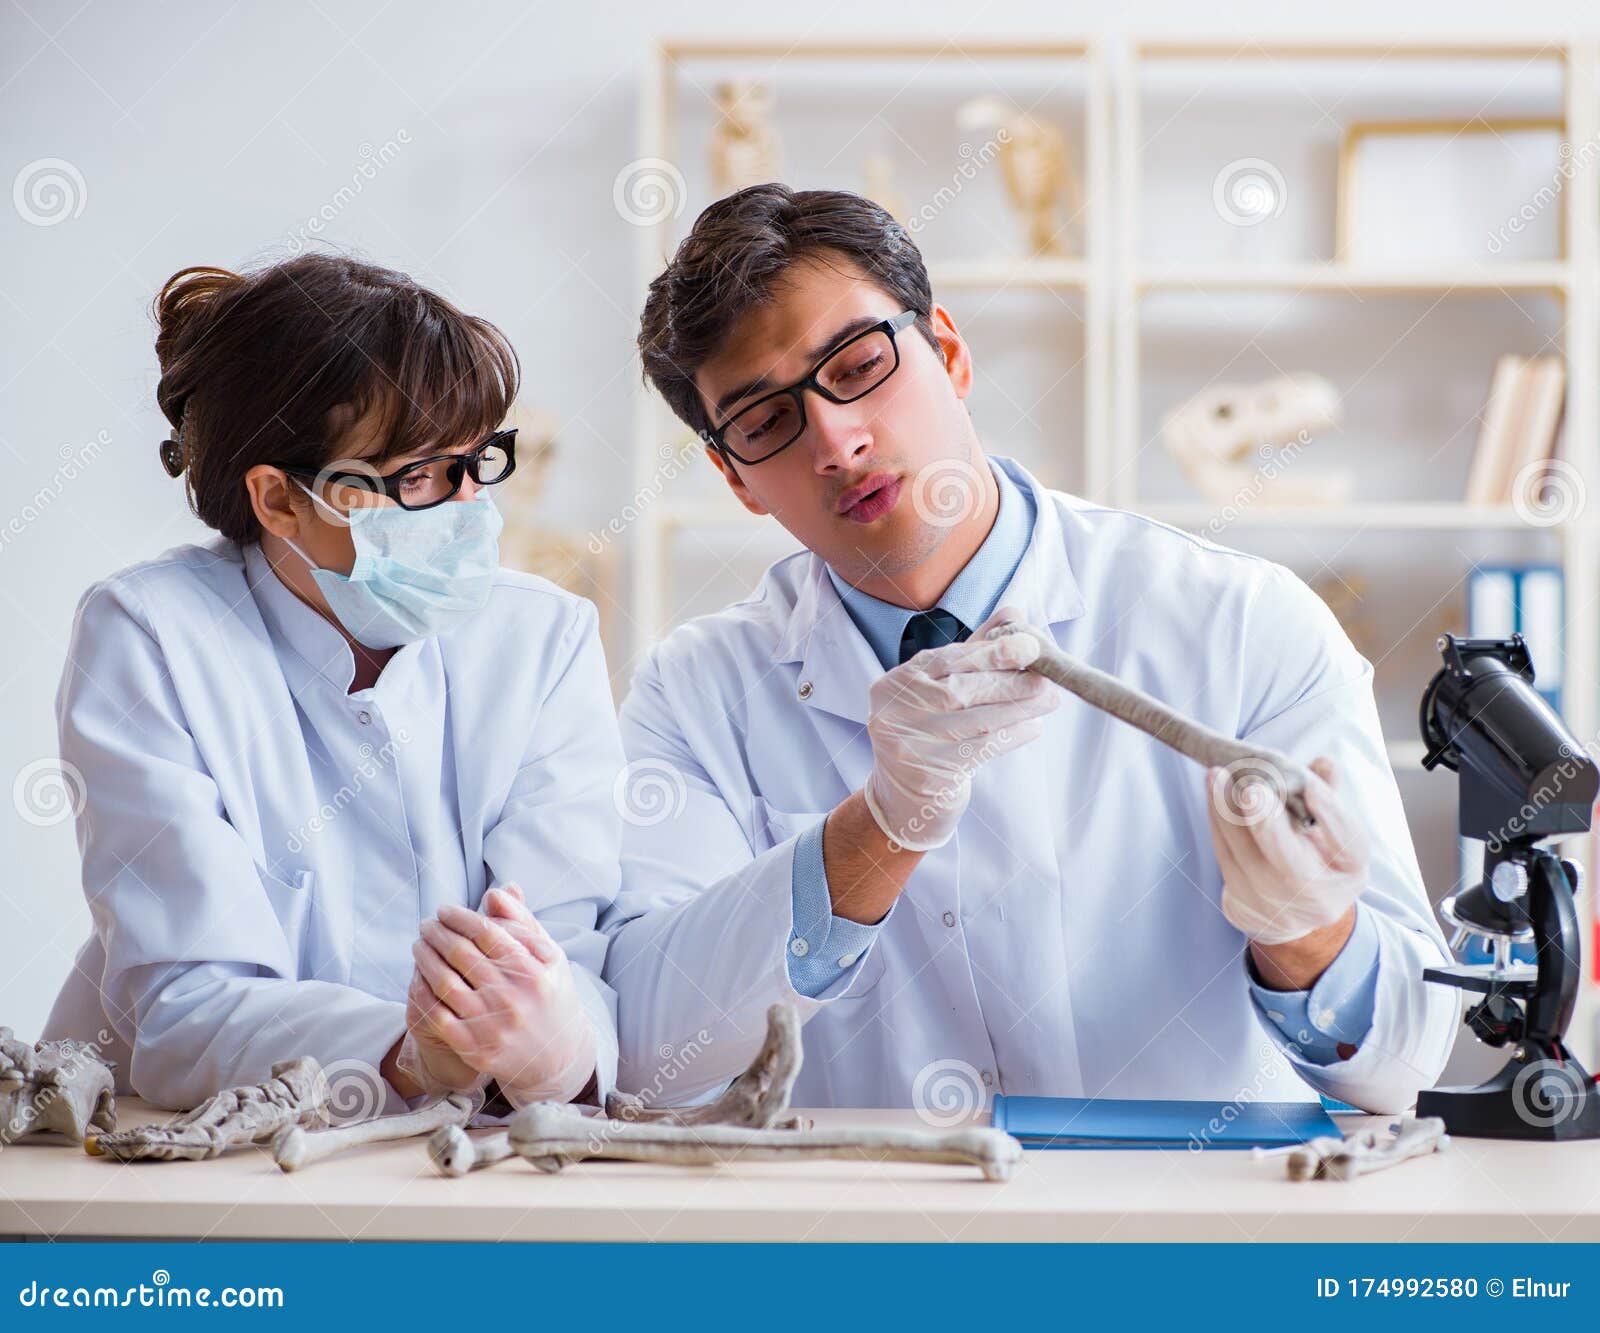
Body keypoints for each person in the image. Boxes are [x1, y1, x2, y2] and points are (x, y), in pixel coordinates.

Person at [602, 184, 1456, 1114]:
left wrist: (1306, 936)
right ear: (737, 479)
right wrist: (880, 827)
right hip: (864, 1240)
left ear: (950, 352)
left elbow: (1408, 1058)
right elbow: (647, 1057)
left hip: (1186, 1239)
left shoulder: (1240, 623)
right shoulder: (696, 693)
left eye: (854, 366)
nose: (836, 441)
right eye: (767, 422)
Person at [43, 254, 621, 1112]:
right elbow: (186, 1008)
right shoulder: (151, 634)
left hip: (492, 1158)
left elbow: (572, 952)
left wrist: (553, 1047)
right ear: (279, 500)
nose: (469, 509)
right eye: (419, 476)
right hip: (202, 1168)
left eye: (477, 460)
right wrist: (411, 1056)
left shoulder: (541, 637)